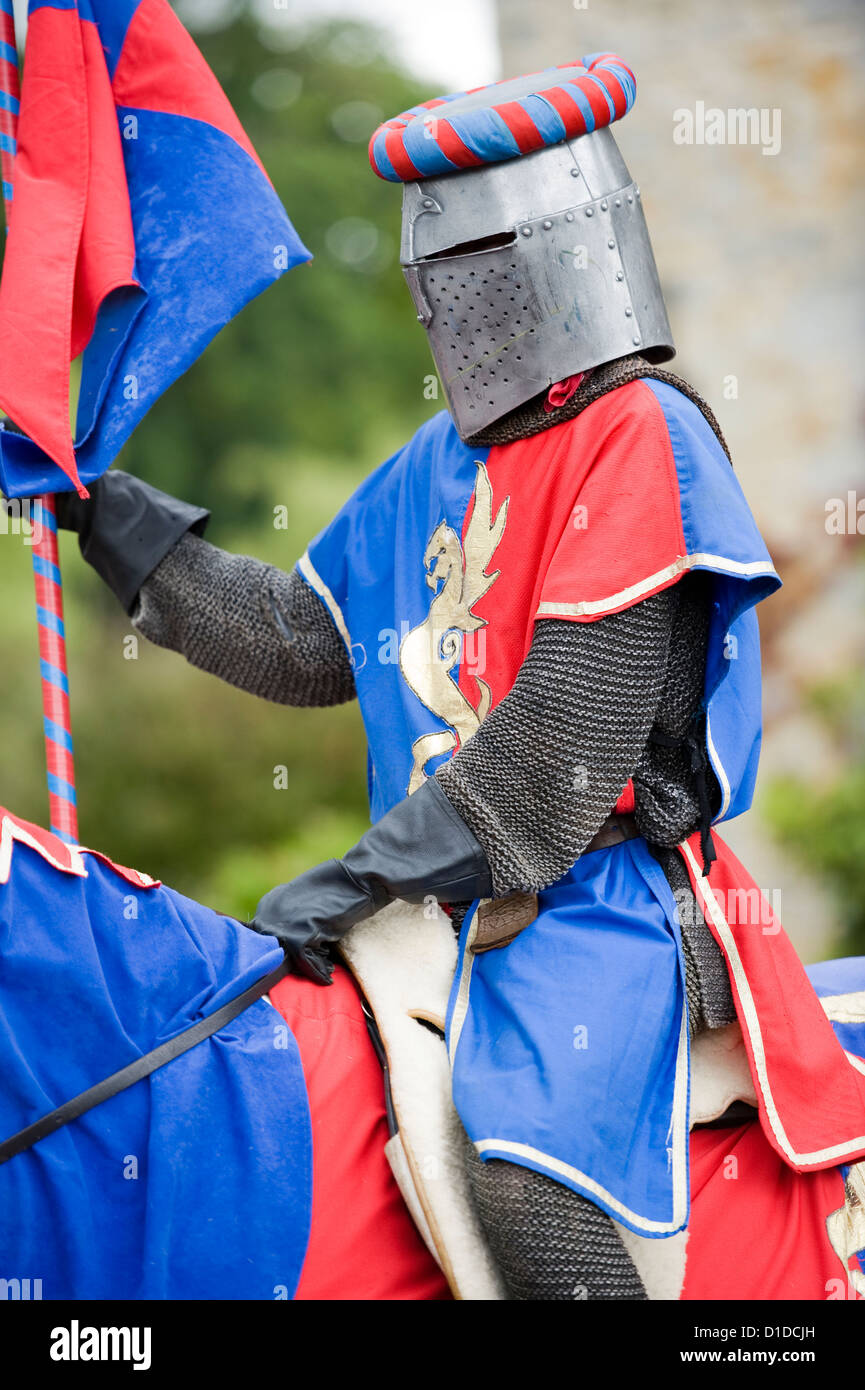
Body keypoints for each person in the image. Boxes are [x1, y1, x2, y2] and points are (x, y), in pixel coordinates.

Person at [52, 55, 865, 1299]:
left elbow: (558, 759)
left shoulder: (641, 433)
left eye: (467, 280)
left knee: (527, 1186)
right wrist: (108, 516)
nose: (442, 314)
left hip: (595, 913)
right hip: (433, 918)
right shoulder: (437, 458)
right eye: (429, 284)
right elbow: (303, 639)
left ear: (557, 259)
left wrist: (347, 879)